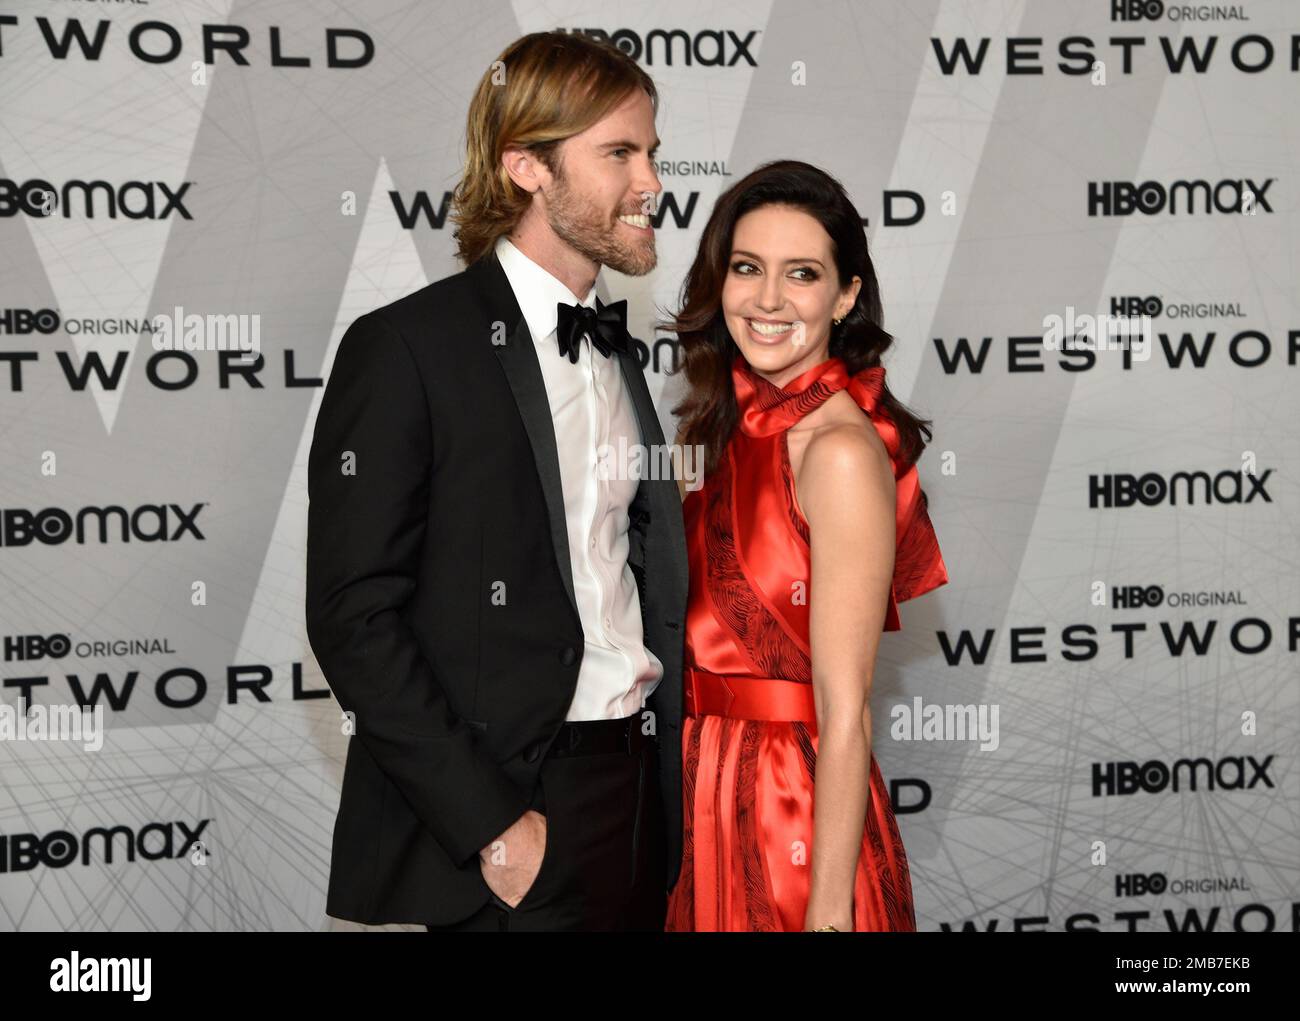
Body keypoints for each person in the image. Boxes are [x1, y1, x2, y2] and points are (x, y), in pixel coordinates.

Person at [304, 32, 687, 932]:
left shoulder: (617, 349)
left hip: (635, 797)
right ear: (526, 167)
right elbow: (352, 614)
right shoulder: (407, 347)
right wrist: (495, 829)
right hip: (514, 814)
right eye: (619, 154)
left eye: (652, 153)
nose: (652, 184)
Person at [662, 160, 949, 932]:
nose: (767, 300)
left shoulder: (840, 451)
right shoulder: (733, 427)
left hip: (790, 807)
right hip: (700, 793)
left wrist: (827, 919)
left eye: (803, 274)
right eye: (748, 268)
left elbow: (846, 711)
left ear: (847, 294)